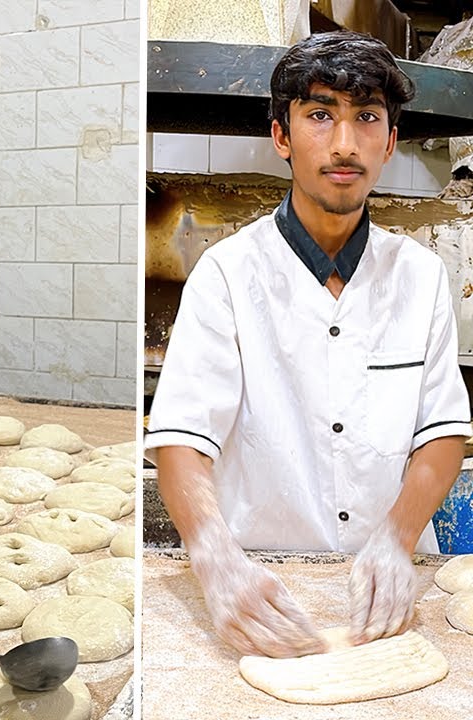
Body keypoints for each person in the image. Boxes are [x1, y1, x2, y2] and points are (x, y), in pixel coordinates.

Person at [145, 31, 470, 659]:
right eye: (320, 115)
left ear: (390, 141)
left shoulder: (421, 274)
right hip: (264, 583)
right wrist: (214, 557)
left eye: (366, 118)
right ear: (282, 136)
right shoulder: (227, 274)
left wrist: (397, 539)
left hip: (391, 587)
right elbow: (182, 437)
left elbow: (442, 433)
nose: (344, 143)